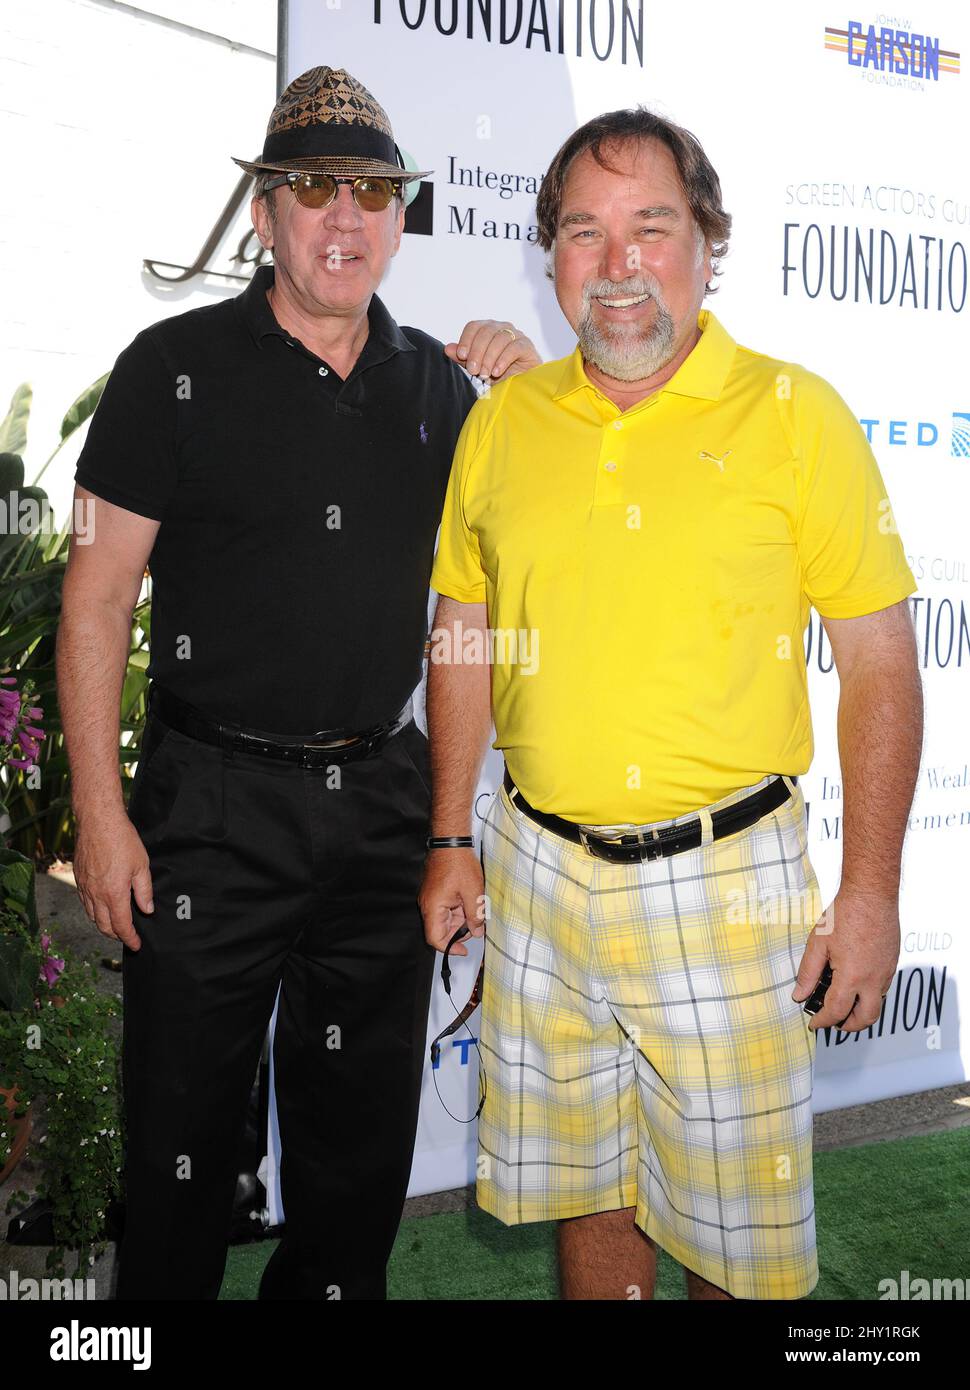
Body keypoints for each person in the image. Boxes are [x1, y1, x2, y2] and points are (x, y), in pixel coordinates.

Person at [420, 107, 923, 1302]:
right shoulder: (504, 425)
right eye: (585, 233)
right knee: (587, 1192)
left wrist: (868, 895)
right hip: (536, 879)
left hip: (729, 889)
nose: (619, 261)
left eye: (651, 225)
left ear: (707, 245)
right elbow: (463, 631)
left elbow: (883, 666)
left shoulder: (796, 416)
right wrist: (450, 835)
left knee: (735, 1248)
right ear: (552, 263)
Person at [56, 65, 539, 1301]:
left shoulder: (445, 390)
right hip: (209, 809)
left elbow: (468, 617)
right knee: (178, 1155)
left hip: (377, 808)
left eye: (374, 193)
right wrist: (101, 818)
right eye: (314, 188)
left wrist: (524, 379)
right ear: (265, 213)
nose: (345, 217)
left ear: (397, 217)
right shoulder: (171, 368)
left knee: (355, 1164)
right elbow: (99, 597)